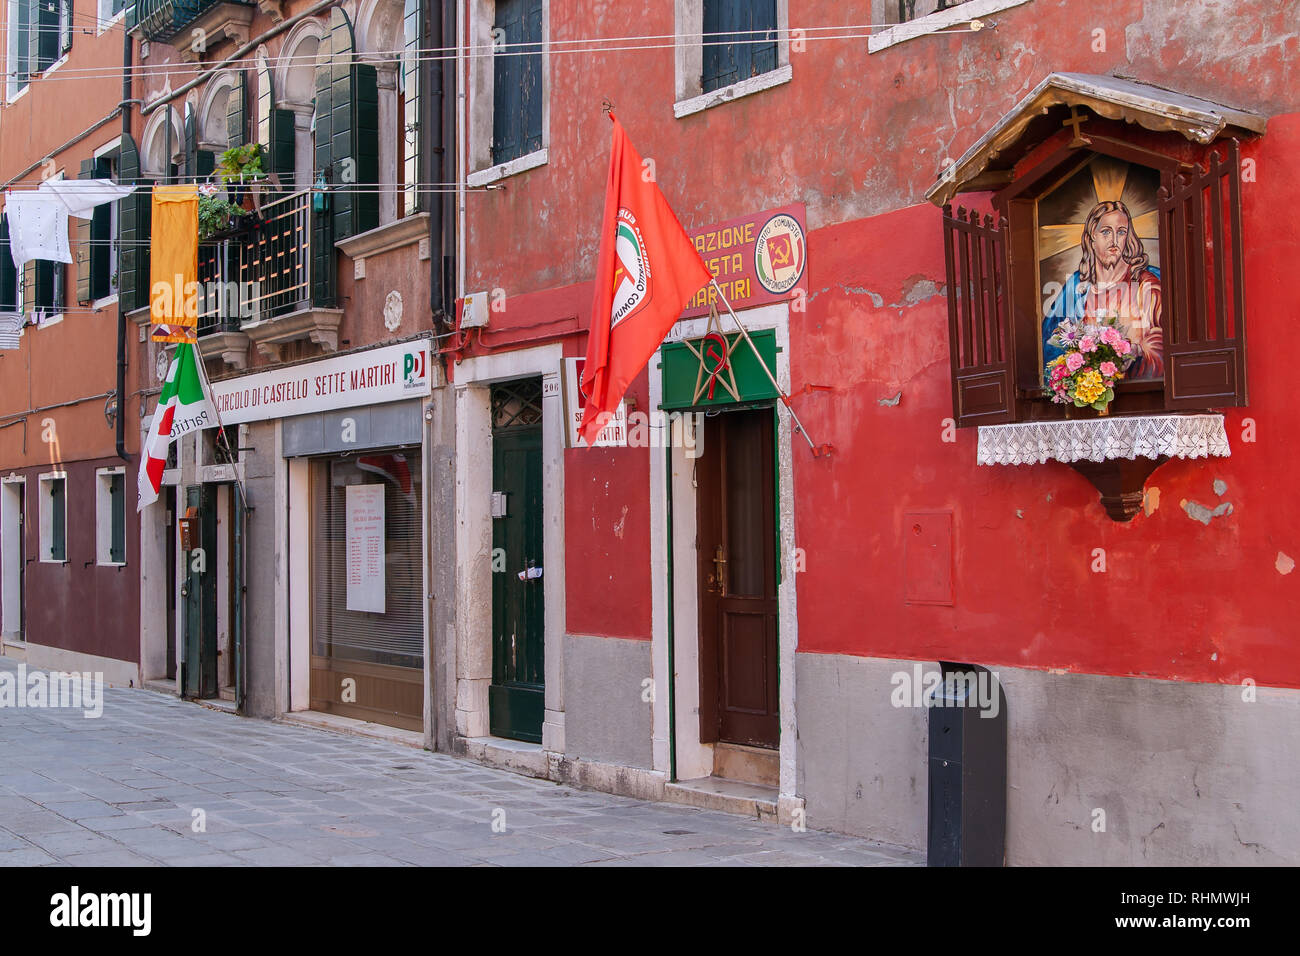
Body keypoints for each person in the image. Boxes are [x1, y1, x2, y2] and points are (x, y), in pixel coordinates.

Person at [1043, 200, 1163, 379]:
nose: (1114, 241)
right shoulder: (1077, 287)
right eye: (1106, 232)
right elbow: (1050, 344)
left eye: (1121, 232)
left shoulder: (1146, 282)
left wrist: (1136, 351)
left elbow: (1166, 341)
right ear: (1092, 238)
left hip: (1141, 389)